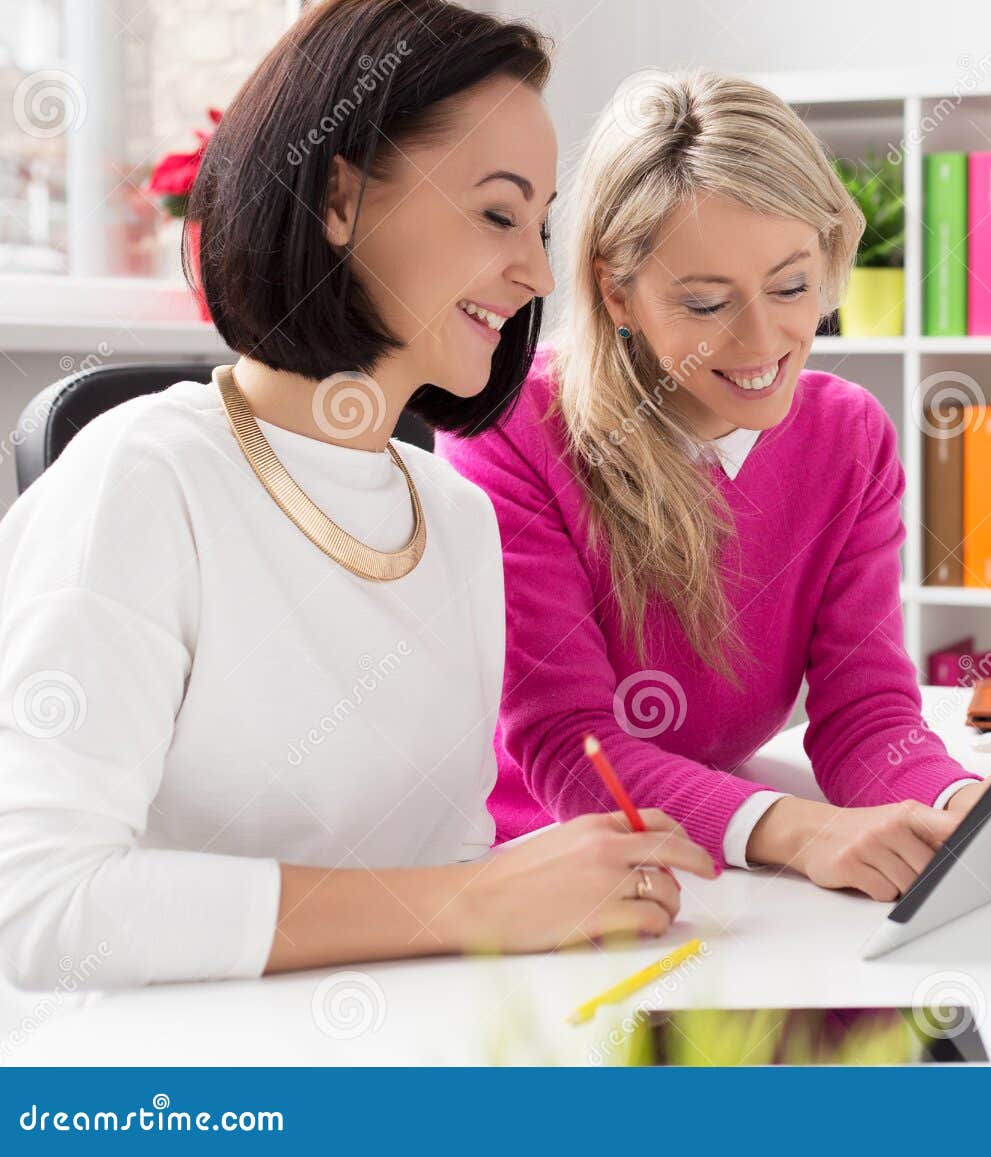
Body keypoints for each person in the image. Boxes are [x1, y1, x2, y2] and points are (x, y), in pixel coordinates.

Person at [0, 0, 711, 992]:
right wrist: (475, 901)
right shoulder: (143, 480)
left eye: (540, 223)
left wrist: (545, 897)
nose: (535, 270)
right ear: (338, 198)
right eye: (498, 212)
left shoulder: (453, 515)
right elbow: (35, 904)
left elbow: (444, 875)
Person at [437, 69, 991, 903]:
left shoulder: (849, 436)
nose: (763, 340)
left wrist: (967, 811)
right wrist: (799, 832)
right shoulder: (511, 427)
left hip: (725, 854)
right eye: (704, 303)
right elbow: (567, 745)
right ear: (616, 291)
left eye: (793, 287)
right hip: (542, 867)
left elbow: (865, 714)